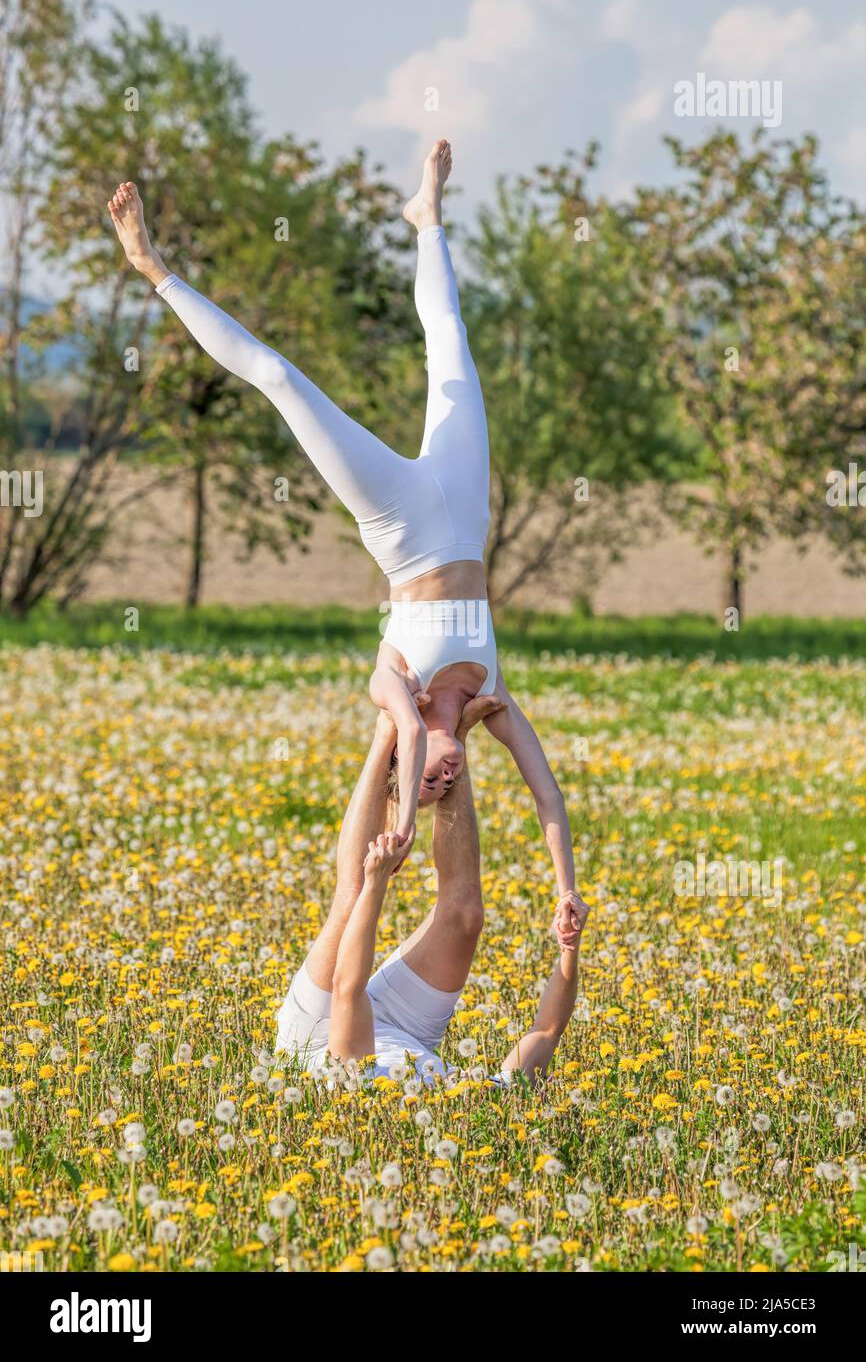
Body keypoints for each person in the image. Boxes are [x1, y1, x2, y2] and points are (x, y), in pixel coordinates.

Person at [107, 140, 578, 914]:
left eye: (425, 779)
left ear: (404, 762)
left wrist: (397, 830)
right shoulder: (495, 700)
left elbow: (413, 737)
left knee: (281, 379)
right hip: (464, 518)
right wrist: (564, 888)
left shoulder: (390, 688)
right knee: (452, 345)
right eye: (445, 786)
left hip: (401, 526)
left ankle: (153, 268)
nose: (443, 777)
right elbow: (549, 799)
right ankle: (427, 218)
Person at [274, 699, 588, 1086]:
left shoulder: (357, 1082)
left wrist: (378, 882)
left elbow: (346, 988)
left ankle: (389, 728)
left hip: (317, 1032)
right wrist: (570, 949)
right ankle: (453, 737)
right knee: (465, 916)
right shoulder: (488, 1096)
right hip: (409, 1037)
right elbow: (547, 1029)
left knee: (352, 896)